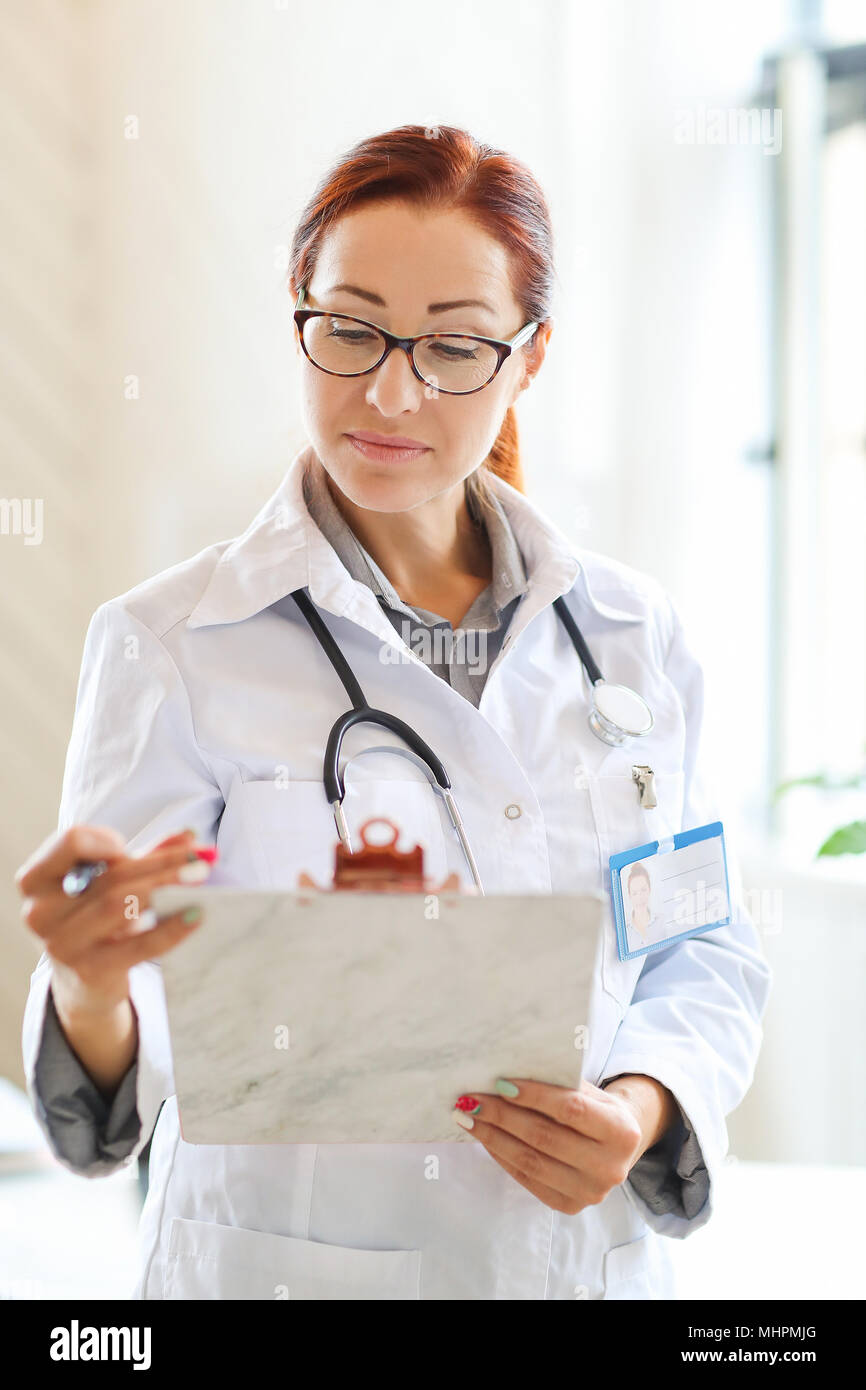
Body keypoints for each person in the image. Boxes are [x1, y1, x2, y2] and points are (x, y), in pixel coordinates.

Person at [16, 123, 771, 1301]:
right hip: (282, 1273)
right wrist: (89, 983)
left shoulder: (632, 633)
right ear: (299, 318)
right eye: (350, 327)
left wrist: (642, 1102)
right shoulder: (171, 642)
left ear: (528, 359)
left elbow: (700, 941)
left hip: (582, 1268)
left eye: (456, 347)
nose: (389, 389)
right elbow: (143, 1026)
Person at [626, 860, 661, 943]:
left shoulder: (662, 922)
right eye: (634, 893)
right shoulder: (625, 929)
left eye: (643, 890)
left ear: (649, 890)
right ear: (630, 896)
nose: (640, 897)